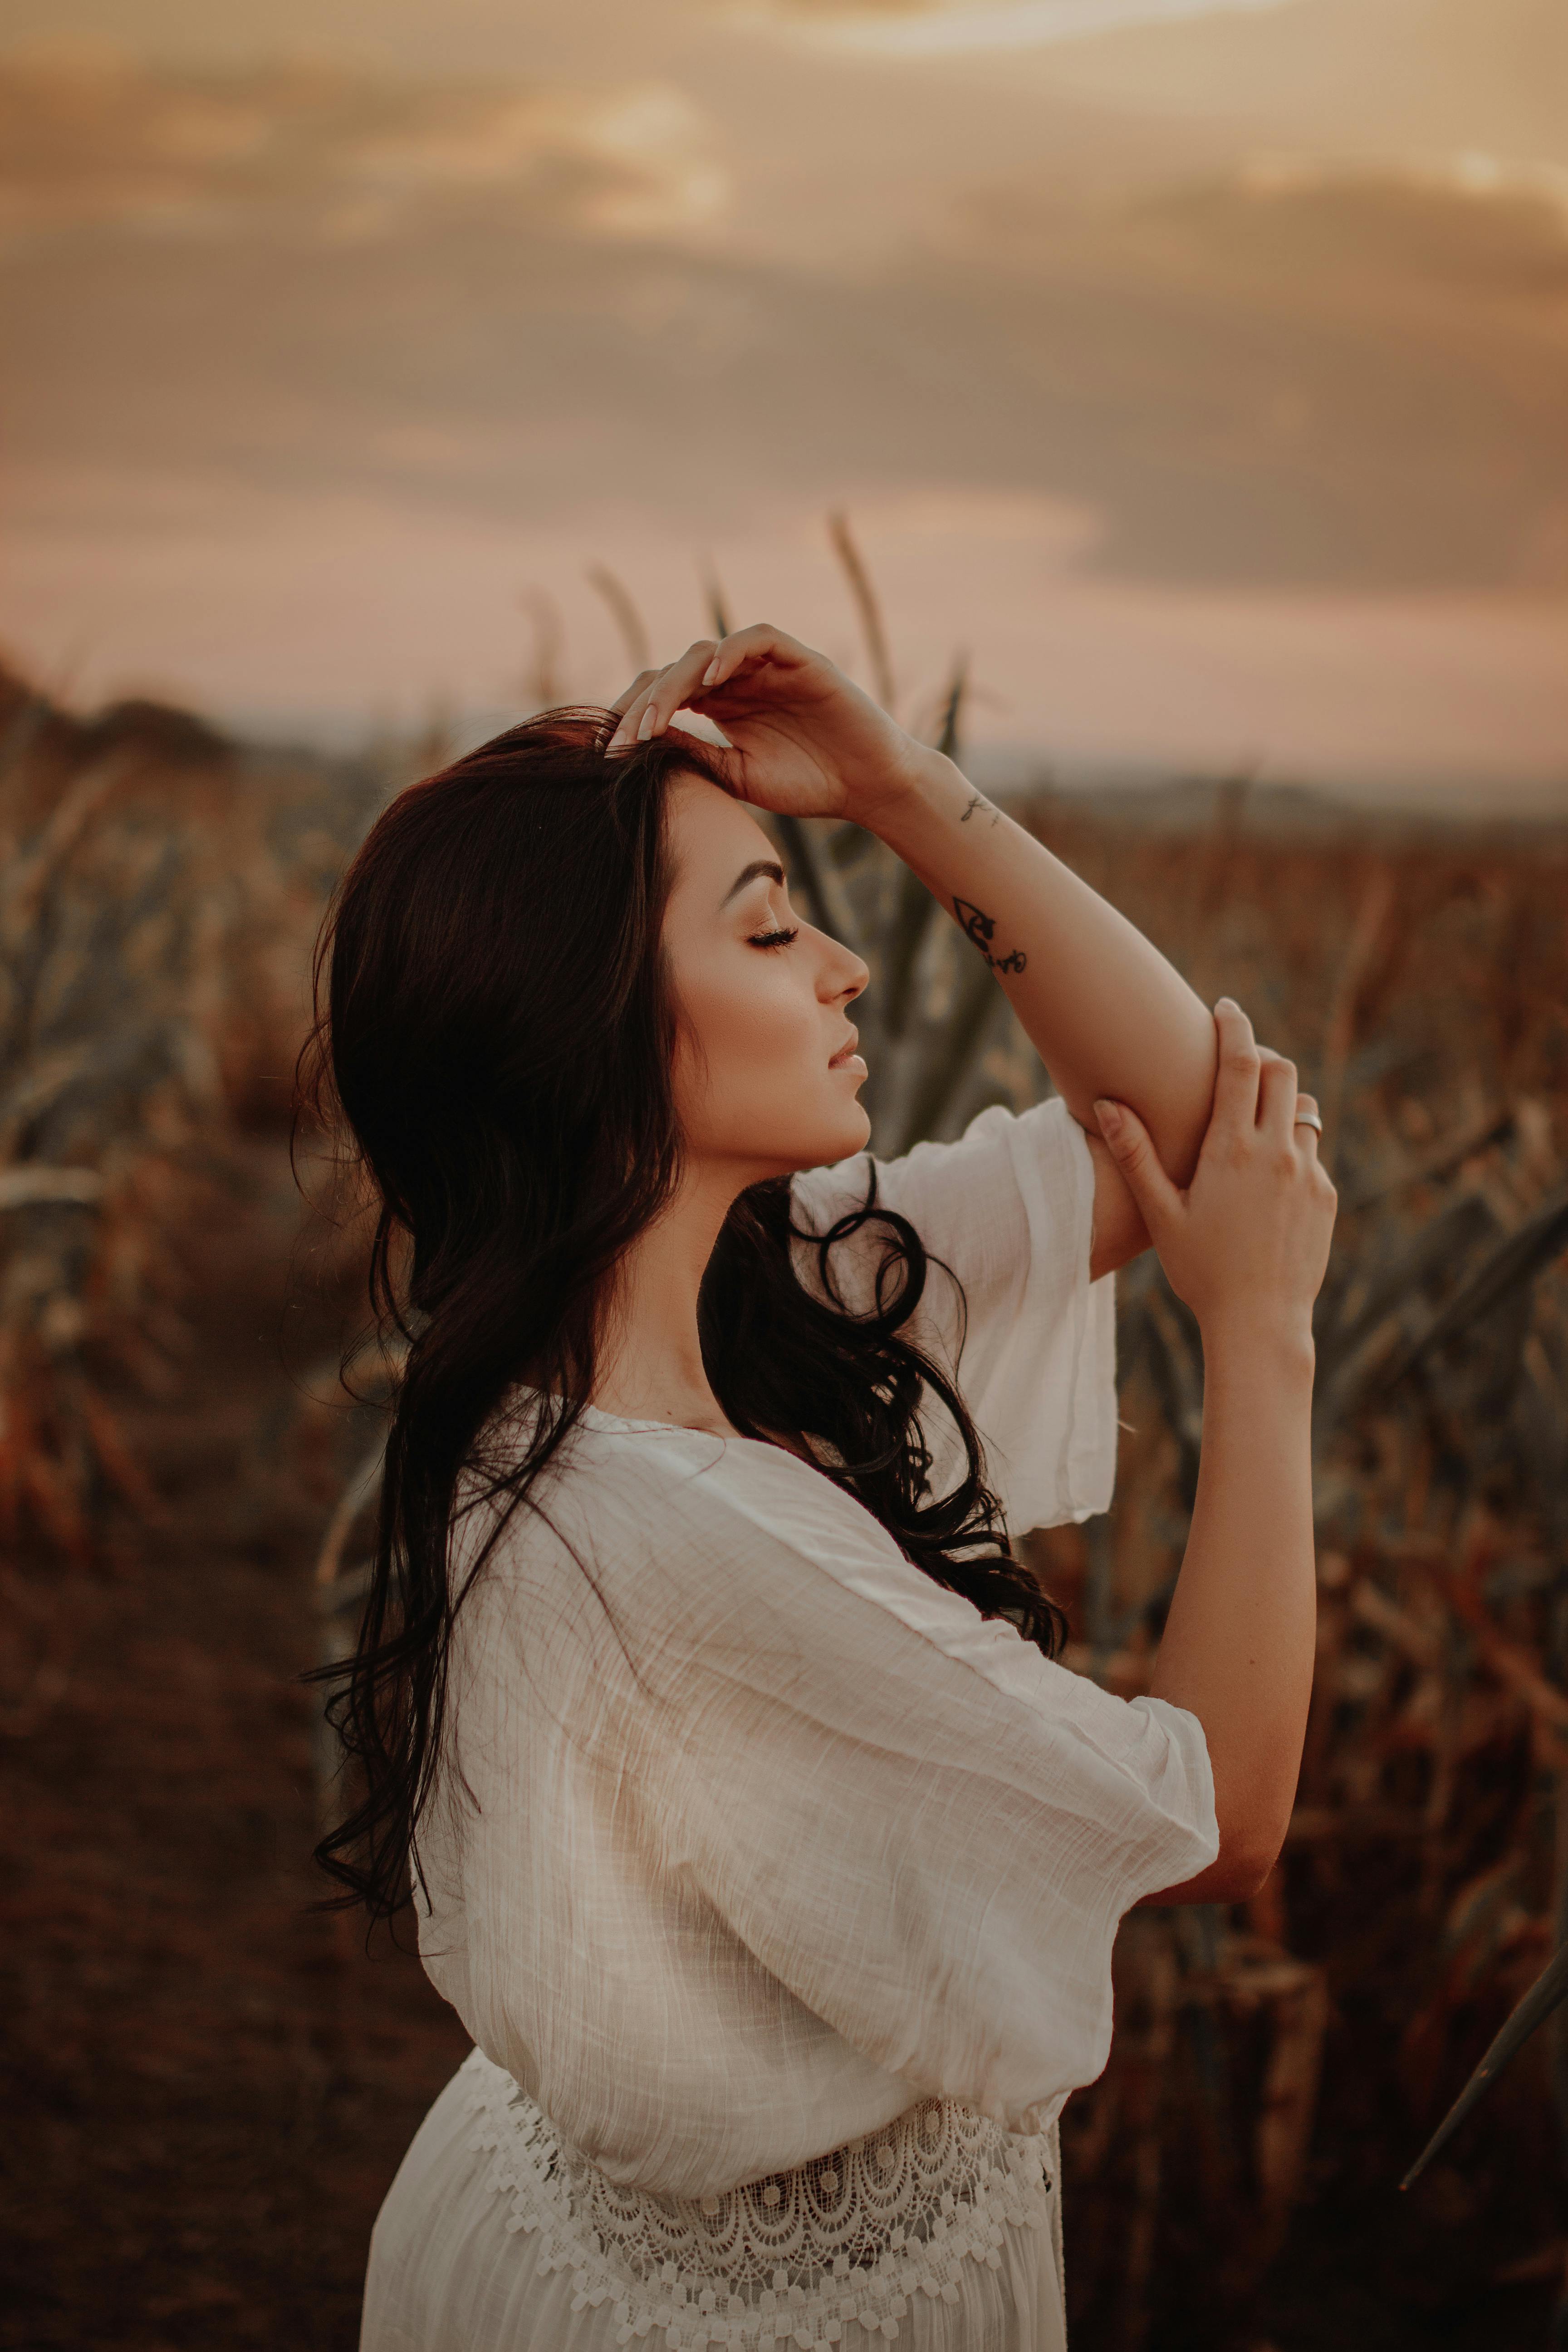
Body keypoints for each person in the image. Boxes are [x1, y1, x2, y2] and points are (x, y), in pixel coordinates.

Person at [311, 625, 1337, 2352]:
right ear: (594, 1036)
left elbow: (1191, 1118)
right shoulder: (684, 1538)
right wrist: (1263, 1334)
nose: (849, 967)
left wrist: (898, 787)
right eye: (772, 927)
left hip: (544, 2221)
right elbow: (1223, 1821)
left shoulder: (754, 1290)